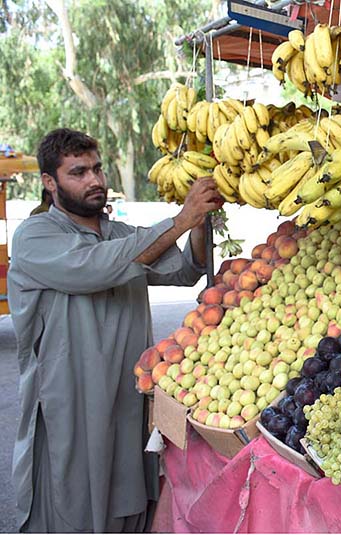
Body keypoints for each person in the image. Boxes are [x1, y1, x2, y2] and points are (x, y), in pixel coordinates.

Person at [7, 128, 223, 532]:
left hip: (127, 399)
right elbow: (96, 267)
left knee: (130, 495)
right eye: (78, 172)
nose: (95, 181)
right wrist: (178, 221)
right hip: (71, 406)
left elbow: (182, 271)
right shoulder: (35, 237)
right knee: (72, 504)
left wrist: (198, 223)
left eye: (98, 169)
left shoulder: (120, 235)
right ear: (49, 183)